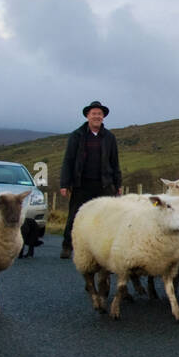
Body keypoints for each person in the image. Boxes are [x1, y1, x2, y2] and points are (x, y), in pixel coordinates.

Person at [59, 100, 123, 258]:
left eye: (100, 114)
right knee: (75, 215)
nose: (97, 116)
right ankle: (67, 246)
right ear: (88, 116)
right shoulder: (77, 136)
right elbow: (68, 160)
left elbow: (115, 162)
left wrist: (118, 184)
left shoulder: (109, 137)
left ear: (103, 117)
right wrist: (65, 184)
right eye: (94, 114)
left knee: (106, 217)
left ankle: (104, 249)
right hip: (82, 184)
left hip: (104, 184)